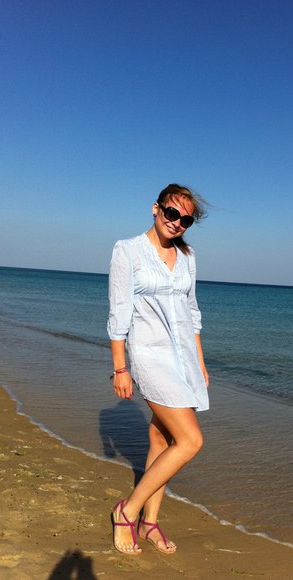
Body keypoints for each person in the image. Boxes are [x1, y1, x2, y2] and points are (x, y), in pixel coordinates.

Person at [107, 183, 210, 555]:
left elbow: (192, 312)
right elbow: (119, 313)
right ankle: (127, 511)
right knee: (191, 441)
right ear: (156, 208)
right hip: (150, 357)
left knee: (161, 440)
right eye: (172, 212)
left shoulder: (187, 256)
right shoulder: (128, 251)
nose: (177, 222)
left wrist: (200, 362)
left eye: (186, 219)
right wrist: (120, 368)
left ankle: (149, 522)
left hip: (184, 359)